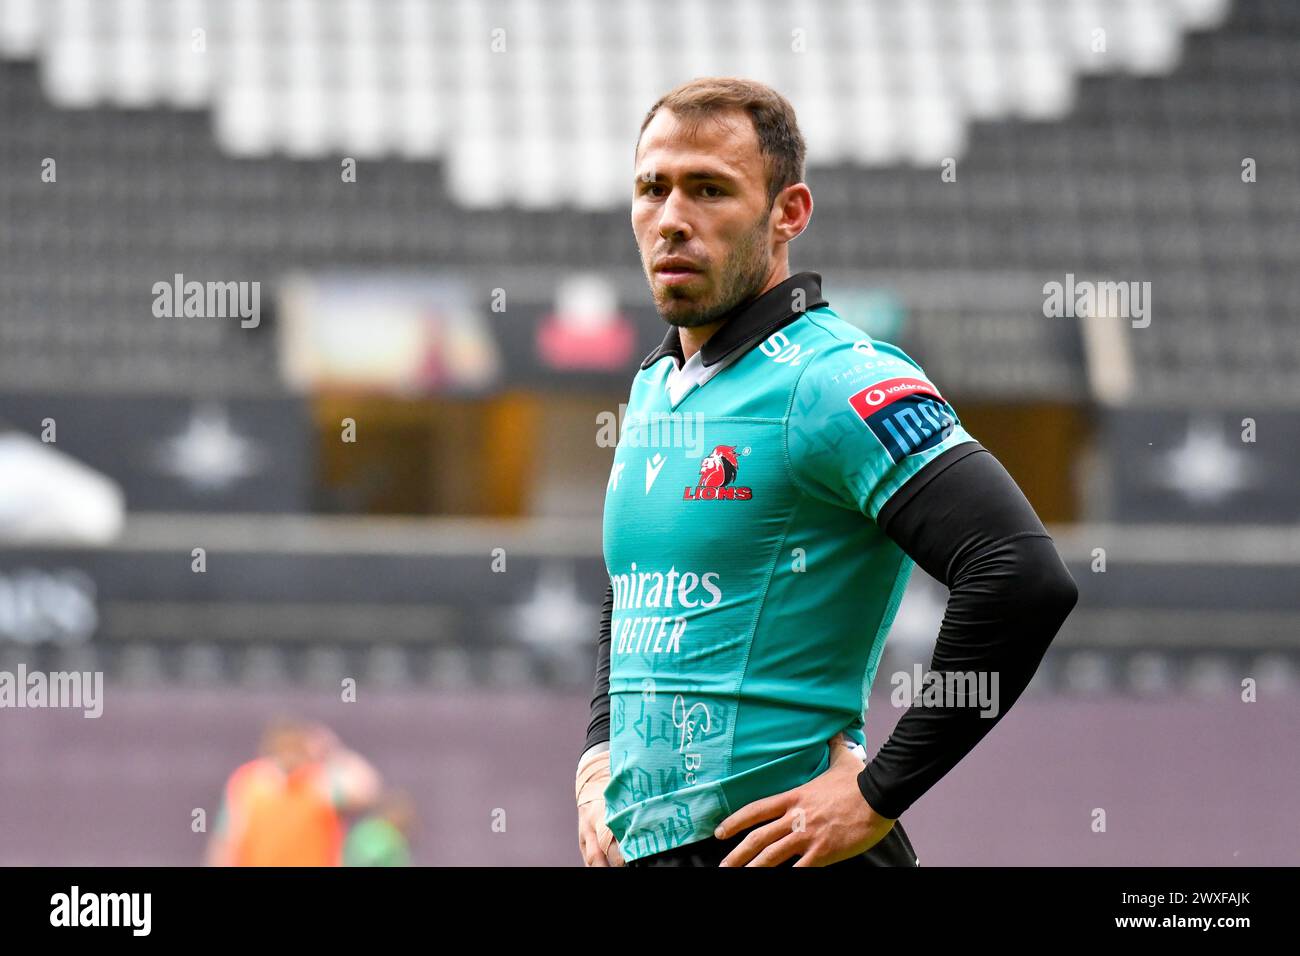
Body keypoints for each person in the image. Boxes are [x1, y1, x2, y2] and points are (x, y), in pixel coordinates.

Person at [576, 77, 1078, 867]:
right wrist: (598, 758)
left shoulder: (834, 378)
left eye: (710, 189)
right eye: (653, 188)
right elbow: (635, 584)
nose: (672, 218)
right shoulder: (654, 386)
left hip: (783, 850)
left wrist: (880, 791)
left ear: (789, 213)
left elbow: (1020, 574)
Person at [206, 717, 382, 867]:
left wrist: (333, 752)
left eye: (295, 746)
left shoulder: (319, 781)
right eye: (283, 745)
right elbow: (226, 839)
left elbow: (368, 791)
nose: (289, 752)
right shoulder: (248, 782)